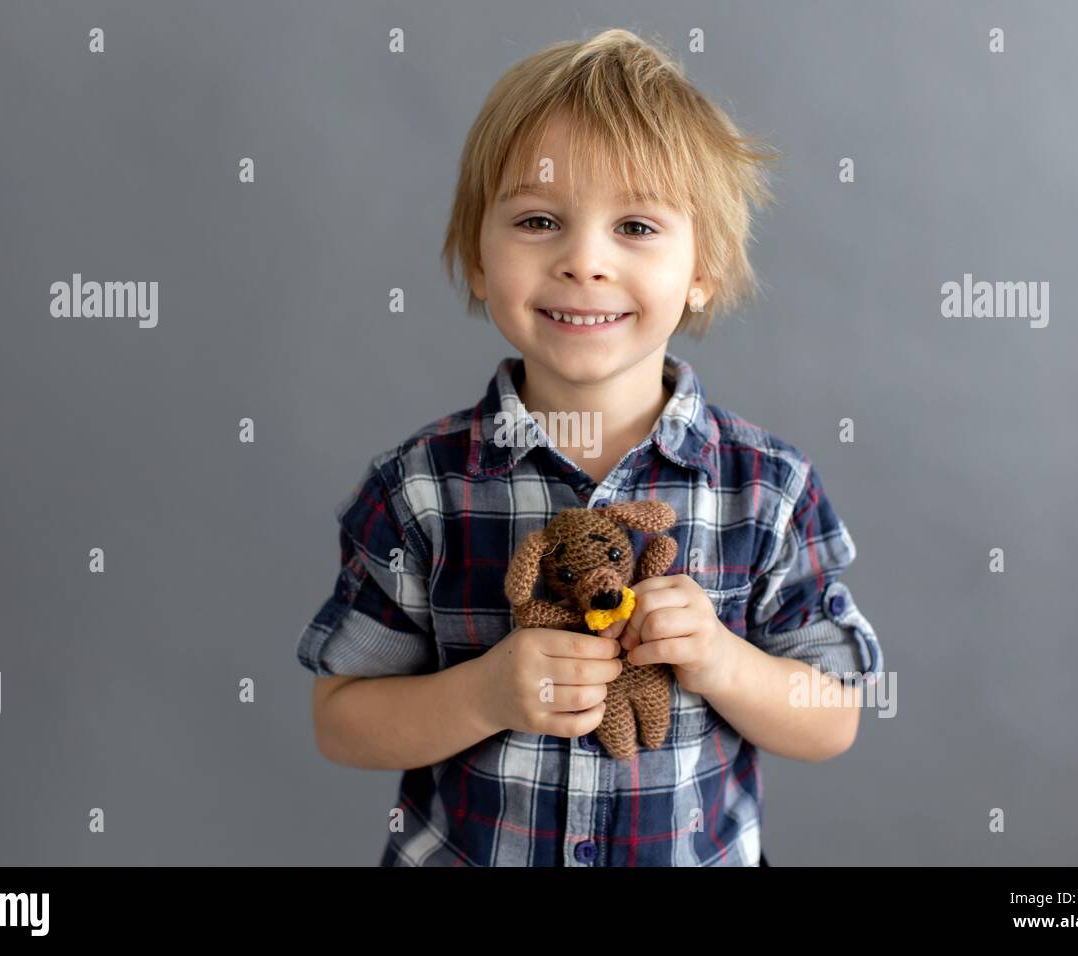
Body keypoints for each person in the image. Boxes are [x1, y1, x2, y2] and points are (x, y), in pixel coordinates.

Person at [298, 28, 884, 866]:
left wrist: (720, 659)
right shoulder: (421, 489)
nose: (584, 262)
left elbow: (832, 717)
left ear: (702, 269)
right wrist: (485, 693)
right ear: (476, 256)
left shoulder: (767, 489)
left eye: (636, 226)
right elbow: (342, 719)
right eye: (539, 221)